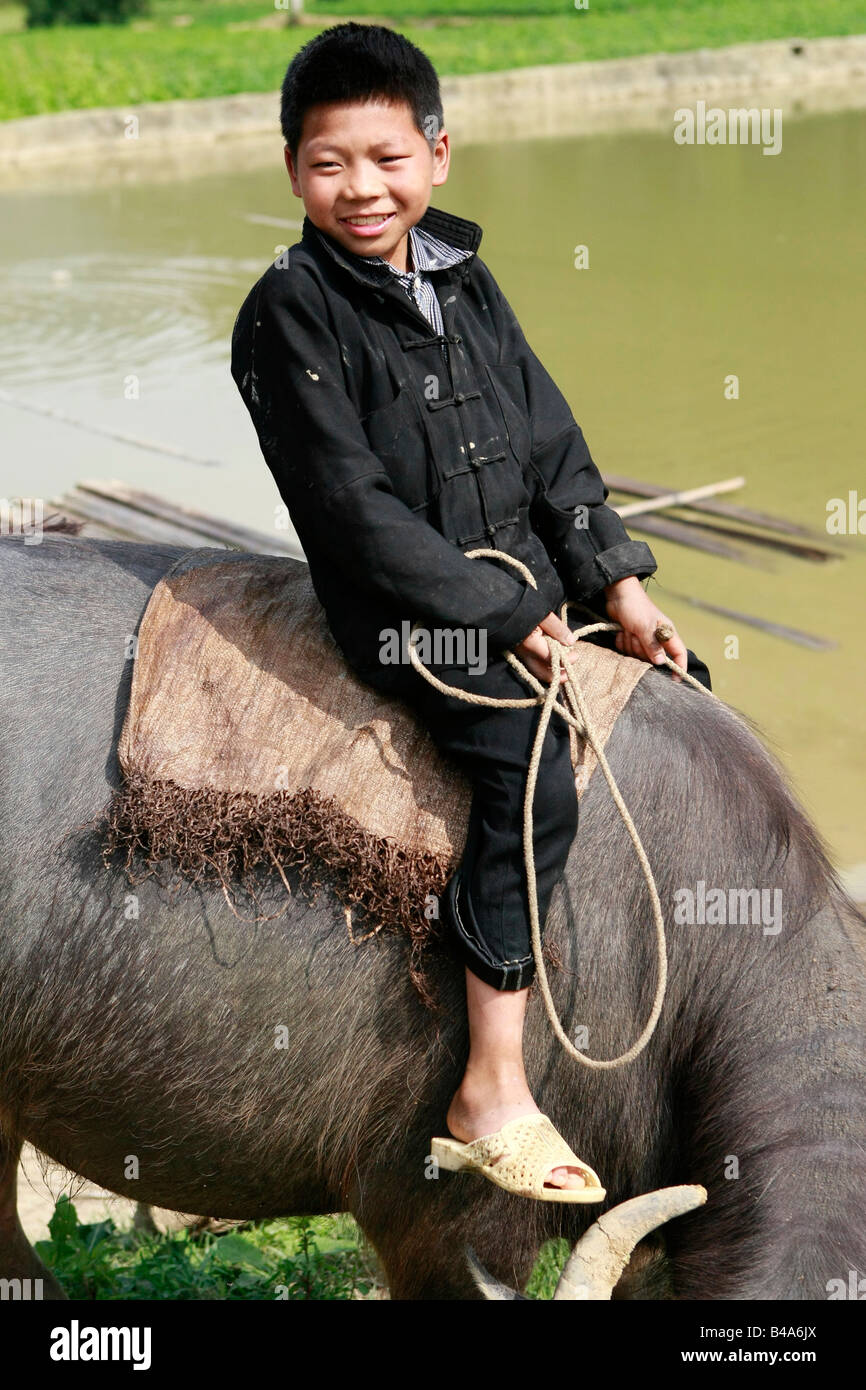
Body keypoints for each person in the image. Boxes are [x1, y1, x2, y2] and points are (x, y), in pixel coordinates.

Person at [231, 22, 711, 1202]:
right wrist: (492, 615)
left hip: (527, 584)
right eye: (331, 163)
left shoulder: (462, 275)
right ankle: (488, 1082)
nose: (361, 189)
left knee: (689, 706)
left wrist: (618, 584)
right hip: (411, 612)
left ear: (437, 155)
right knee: (526, 771)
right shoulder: (287, 313)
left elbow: (551, 445)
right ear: (292, 169)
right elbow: (352, 511)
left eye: (387, 159)